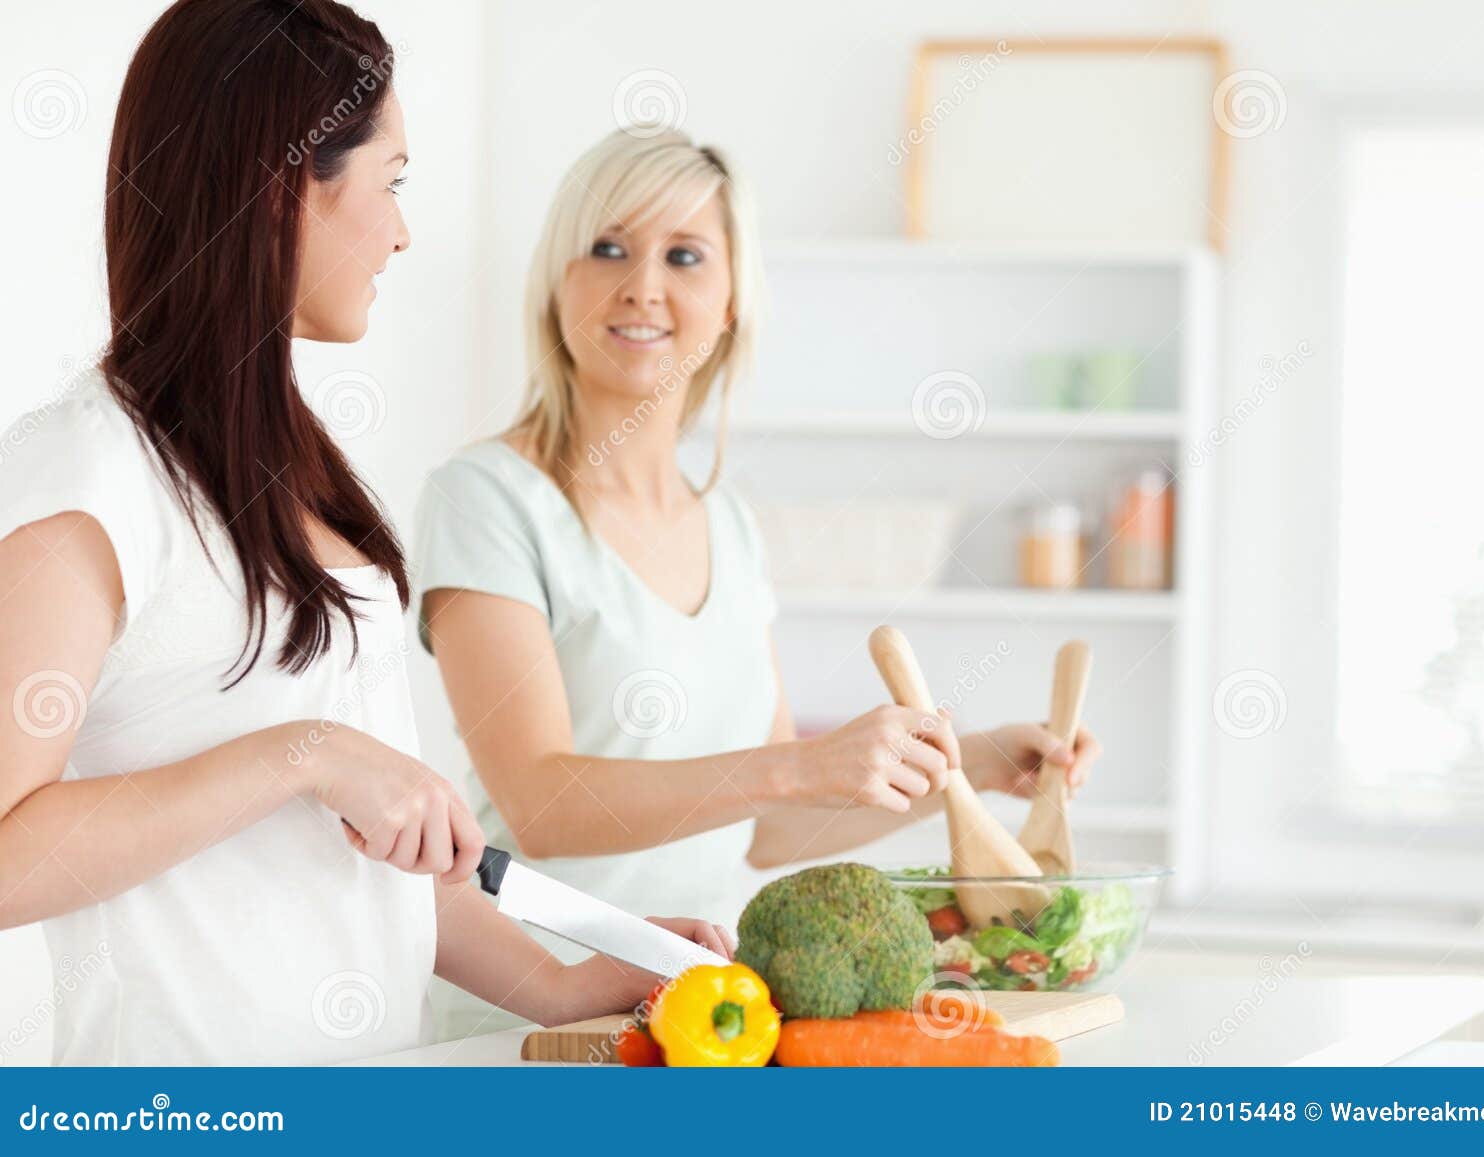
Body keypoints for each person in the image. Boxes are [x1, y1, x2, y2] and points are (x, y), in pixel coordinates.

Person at [0, 0, 727, 1066]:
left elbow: (369, 854)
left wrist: (565, 982)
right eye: (391, 183)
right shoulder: (88, 471)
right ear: (283, 187)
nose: (402, 230)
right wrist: (303, 754)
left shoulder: (294, 465)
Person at [415, 127, 1102, 1037]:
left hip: (698, 1011)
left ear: (731, 300)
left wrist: (966, 767)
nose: (643, 286)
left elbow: (771, 827)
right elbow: (542, 805)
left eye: (684, 256)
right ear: (557, 282)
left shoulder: (729, 526)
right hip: (531, 1026)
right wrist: (801, 763)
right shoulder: (486, 498)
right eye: (608, 248)